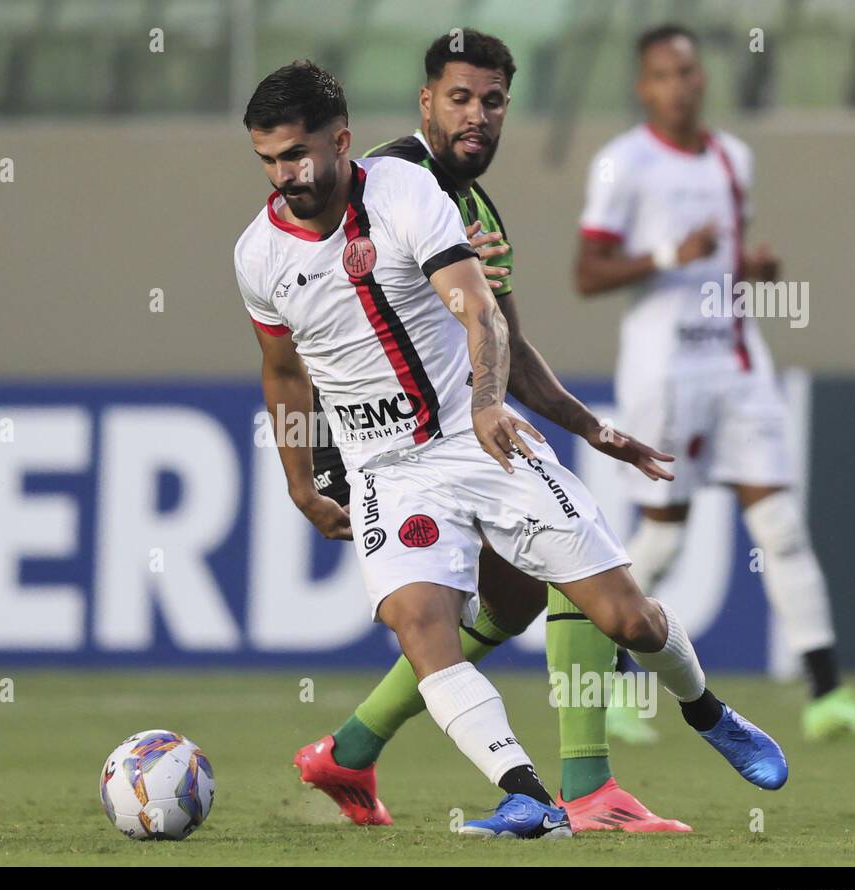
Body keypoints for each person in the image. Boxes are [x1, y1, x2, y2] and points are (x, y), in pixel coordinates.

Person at [235, 60, 788, 838]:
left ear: (341, 140)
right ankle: (528, 794)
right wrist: (299, 480)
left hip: (476, 435)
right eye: (268, 159)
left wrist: (493, 404)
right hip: (386, 469)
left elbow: (482, 314)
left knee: (626, 619)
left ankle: (709, 712)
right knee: (420, 625)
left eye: (297, 154)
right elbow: (284, 369)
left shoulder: (405, 195)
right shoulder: (258, 254)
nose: (285, 174)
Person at [293, 30, 687, 834]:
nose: (477, 116)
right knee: (551, 561)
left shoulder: (469, 200)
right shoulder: (390, 183)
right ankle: (586, 789)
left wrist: (593, 426)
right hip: (373, 442)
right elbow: (316, 296)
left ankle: (351, 748)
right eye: (460, 98)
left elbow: (502, 343)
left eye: (493, 100)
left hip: (446, 428)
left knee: (516, 592)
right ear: (426, 102)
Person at [575, 24, 855, 742]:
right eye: (663, 75)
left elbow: (721, 263)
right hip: (666, 372)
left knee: (779, 525)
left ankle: (826, 694)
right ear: (642, 86)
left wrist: (752, 270)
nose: (679, 86)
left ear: (703, 80)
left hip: (739, 362)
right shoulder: (621, 164)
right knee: (665, 536)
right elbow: (587, 274)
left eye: (688, 72)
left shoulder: (732, 158)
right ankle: (611, 687)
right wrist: (667, 252)